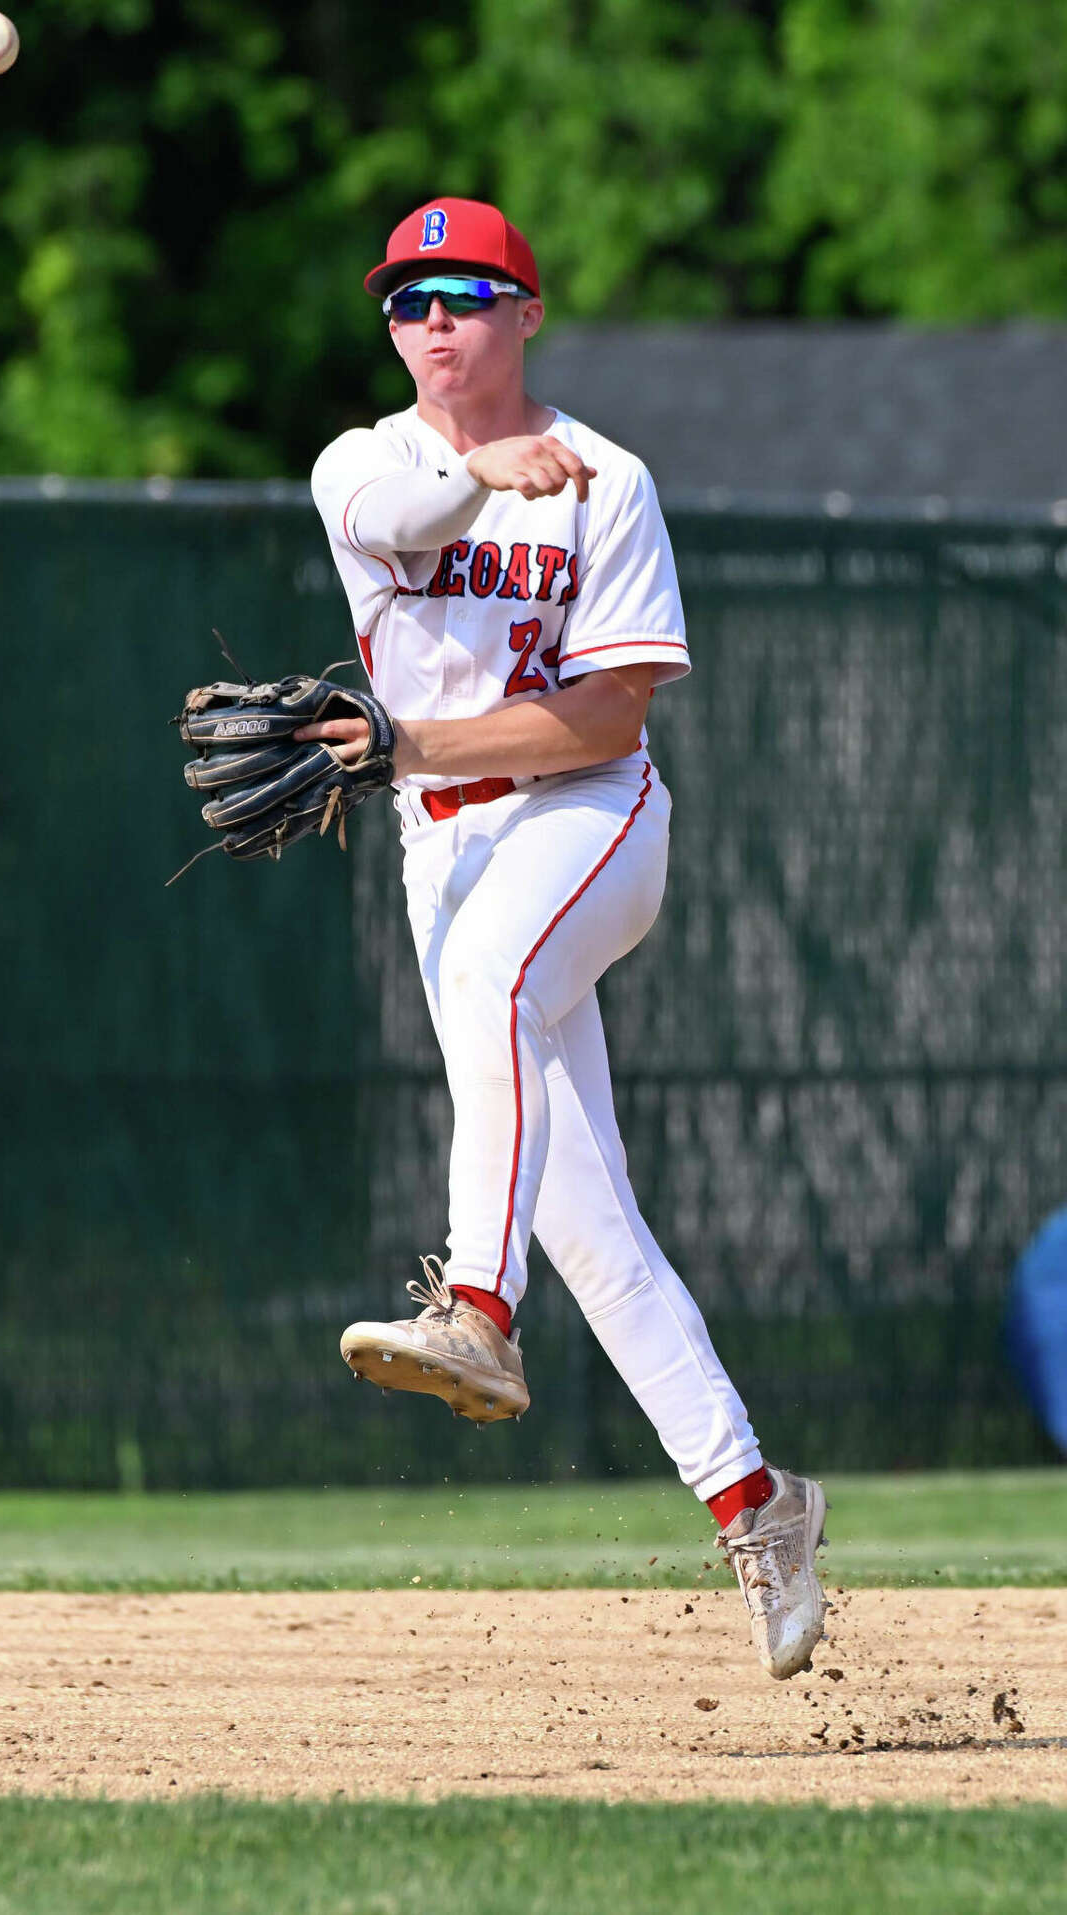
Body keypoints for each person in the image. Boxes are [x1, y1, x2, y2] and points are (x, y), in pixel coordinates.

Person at [302, 197, 827, 1680]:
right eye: (406, 301)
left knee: (491, 982)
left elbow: (607, 714)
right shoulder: (367, 464)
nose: (432, 321)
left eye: (466, 292)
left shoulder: (610, 482)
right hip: (441, 841)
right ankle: (757, 1501)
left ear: (526, 312)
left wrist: (402, 737)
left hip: (593, 813)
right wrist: (478, 481)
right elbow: (399, 523)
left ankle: (475, 1314)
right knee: (590, 1225)